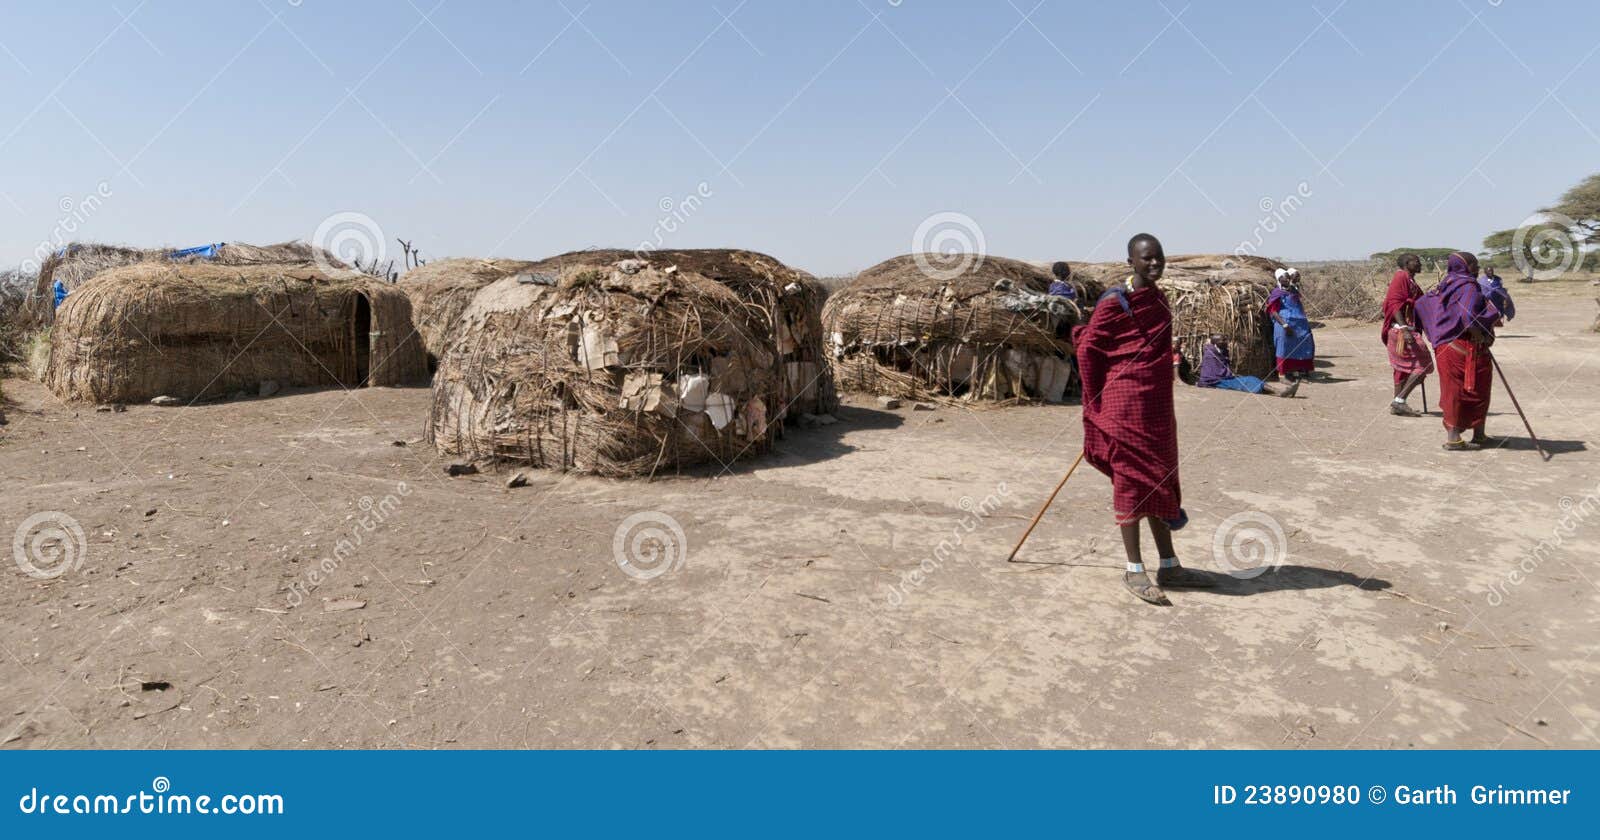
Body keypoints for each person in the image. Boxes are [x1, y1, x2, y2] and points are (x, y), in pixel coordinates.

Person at [1074, 233, 1213, 605]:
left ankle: (1170, 565)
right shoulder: (1113, 302)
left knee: (1160, 481)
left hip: (1156, 409)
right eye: (1147, 258)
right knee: (1132, 483)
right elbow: (1088, 348)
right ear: (1131, 262)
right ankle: (1134, 569)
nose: (1155, 263)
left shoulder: (1159, 299)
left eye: (1159, 257)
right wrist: (1097, 399)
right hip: (1123, 408)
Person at [1416, 251, 1502, 450]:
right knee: (1469, 390)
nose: (1478, 267)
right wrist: (1480, 335)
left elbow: (1423, 303)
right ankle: (1455, 438)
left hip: (1447, 347)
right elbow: (1467, 315)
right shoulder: (1468, 286)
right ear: (1465, 267)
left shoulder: (1447, 283)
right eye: (1474, 264)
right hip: (1464, 348)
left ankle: (1478, 435)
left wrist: (1438, 330)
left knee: (1456, 390)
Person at [1382, 253, 1433, 416]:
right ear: (1406, 263)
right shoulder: (1401, 277)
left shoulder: (1410, 280)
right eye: (1416, 261)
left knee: (1403, 369)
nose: (1420, 264)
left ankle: (1397, 404)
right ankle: (1399, 401)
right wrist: (1404, 328)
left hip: (1407, 329)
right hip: (1401, 330)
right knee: (1424, 365)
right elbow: (1394, 303)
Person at [1196, 334, 1298, 397]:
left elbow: (1223, 367)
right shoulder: (1210, 354)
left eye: (1225, 339)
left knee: (1251, 381)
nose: (1226, 342)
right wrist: (1229, 375)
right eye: (1222, 340)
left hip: (1224, 378)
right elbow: (1213, 372)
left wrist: (1230, 374)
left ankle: (1279, 392)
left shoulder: (1221, 351)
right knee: (1250, 381)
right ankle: (1279, 392)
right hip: (1216, 381)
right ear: (1216, 343)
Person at [1265, 267, 1315, 381]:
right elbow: (1273, 311)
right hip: (1284, 324)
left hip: (1299, 324)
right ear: (1279, 279)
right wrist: (1285, 325)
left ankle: (1296, 372)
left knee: (1301, 347)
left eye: (1288, 277)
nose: (1287, 279)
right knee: (1284, 348)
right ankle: (1282, 374)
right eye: (1284, 278)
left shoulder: (1293, 291)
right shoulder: (1277, 293)